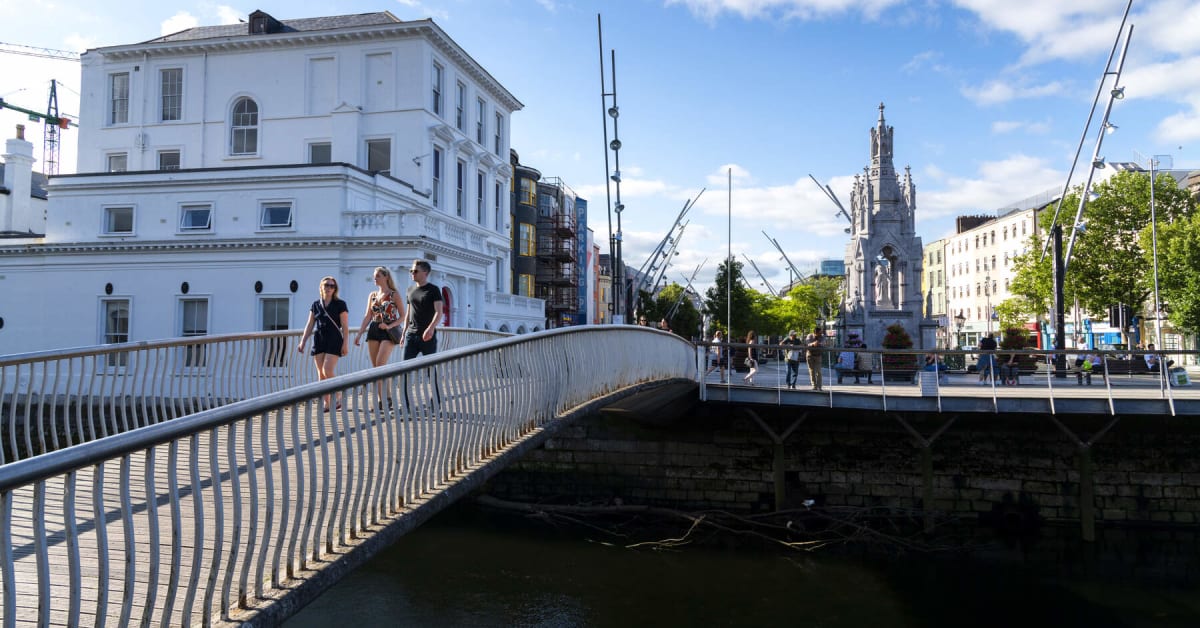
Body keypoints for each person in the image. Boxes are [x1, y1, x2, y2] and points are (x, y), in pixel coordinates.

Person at [297, 276, 349, 411]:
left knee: (328, 370)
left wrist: (345, 343)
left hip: (334, 339)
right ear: (321, 287)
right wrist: (303, 341)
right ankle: (326, 403)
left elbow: (345, 326)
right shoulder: (316, 304)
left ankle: (338, 396)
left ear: (335, 289)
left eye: (332, 286)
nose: (329, 288)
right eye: (327, 285)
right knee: (321, 373)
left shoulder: (340, 304)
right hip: (319, 339)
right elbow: (310, 324)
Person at [354, 267, 403, 409]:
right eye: (374, 276)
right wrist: (359, 333)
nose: (375, 279)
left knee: (381, 364)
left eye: (377, 276)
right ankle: (384, 399)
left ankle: (385, 400)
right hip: (374, 330)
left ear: (386, 277)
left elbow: (403, 316)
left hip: (389, 331)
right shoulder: (373, 295)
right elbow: (368, 316)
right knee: (376, 368)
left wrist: (389, 326)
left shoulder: (394, 294)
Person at [401, 259, 444, 360]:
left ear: (425, 273)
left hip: (427, 336)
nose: (412, 273)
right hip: (411, 335)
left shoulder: (433, 290)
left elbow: (439, 312)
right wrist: (403, 333)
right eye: (411, 271)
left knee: (430, 368)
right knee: (405, 368)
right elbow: (408, 313)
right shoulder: (410, 290)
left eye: (415, 271)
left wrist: (430, 328)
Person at [806, 327, 824, 391]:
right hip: (810, 355)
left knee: (818, 371)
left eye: (821, 333)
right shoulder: (809, 336)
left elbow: (823, 343)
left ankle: (819, 386)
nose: (821, 334)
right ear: (815, 333)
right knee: (811, 371)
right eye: (819, 333)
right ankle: (814, 386)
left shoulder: (822, 336)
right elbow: (807, 344)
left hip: (818, 355)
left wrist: (819, 344)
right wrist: (813, 344)